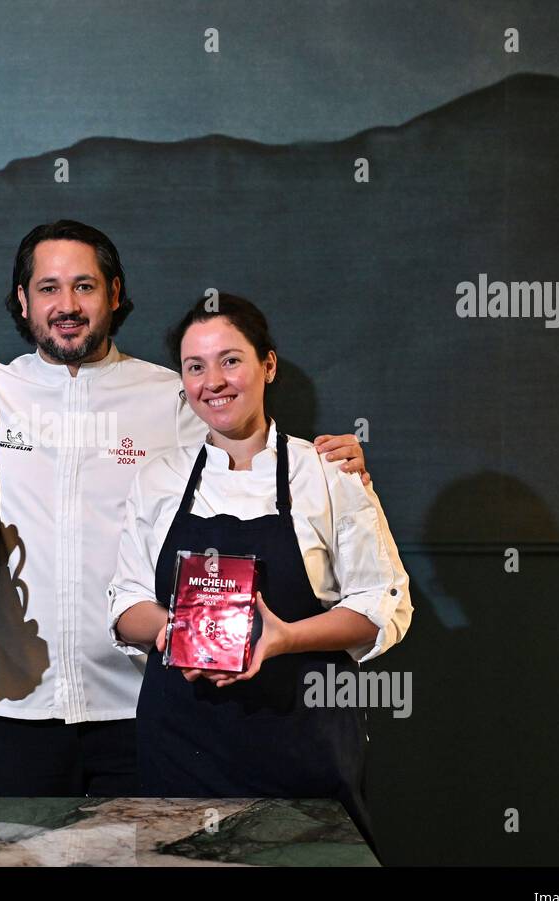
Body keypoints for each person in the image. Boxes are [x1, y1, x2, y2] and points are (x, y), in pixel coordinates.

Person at [0, 223, 369, 797]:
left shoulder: (174, 396)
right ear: (23, 301)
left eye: (85, 286)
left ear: (114, 294)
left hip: (143, 701)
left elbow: (250, 453)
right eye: (49, 288)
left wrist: (331, 463)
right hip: (16, 700)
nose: (67, 305)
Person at [109, 293, 411, 849]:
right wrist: (180, 632)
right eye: (195, 367)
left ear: (267, 365)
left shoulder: (329, 472)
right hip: (181, 747)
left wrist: (285, 637)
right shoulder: (158, 479)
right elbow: (125, 601)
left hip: (302, 744)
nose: (213, 382)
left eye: (230, 360)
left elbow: (381, 607)